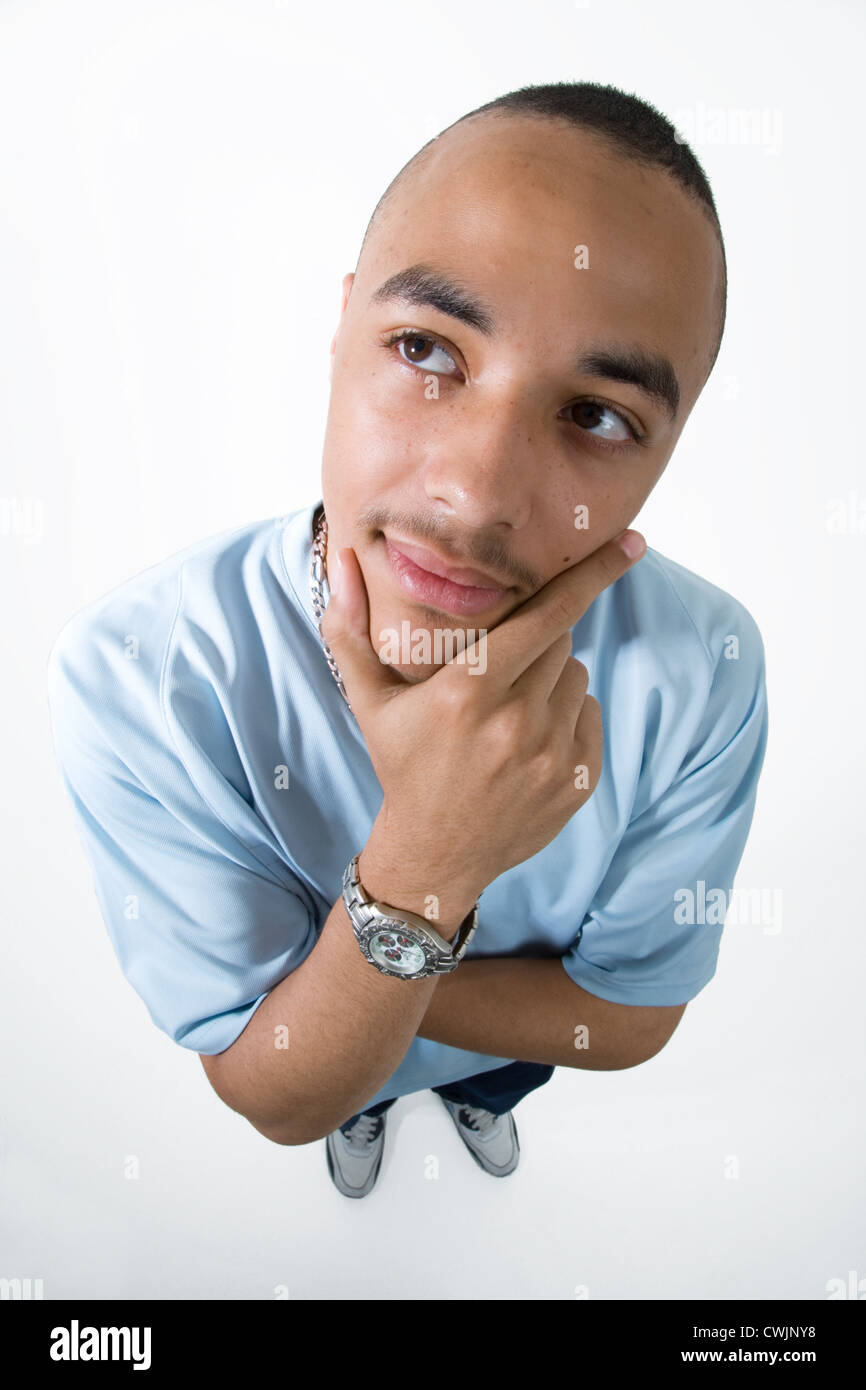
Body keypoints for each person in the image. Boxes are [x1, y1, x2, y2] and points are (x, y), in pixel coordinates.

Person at [46, 81, 768, 1201]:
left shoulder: (702, 668)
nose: (474, 495)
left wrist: (331, 989)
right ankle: (374, 1110)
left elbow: (626, 1026)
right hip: (347, 1070)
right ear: (340, 329)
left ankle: (469, 1100)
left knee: (489, 1078)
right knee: (348, 1093)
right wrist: (431, 857)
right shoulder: (137, 675)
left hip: (499, 1051)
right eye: (426, 349)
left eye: (593, 415)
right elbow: (280, 1096)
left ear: (667, 450)